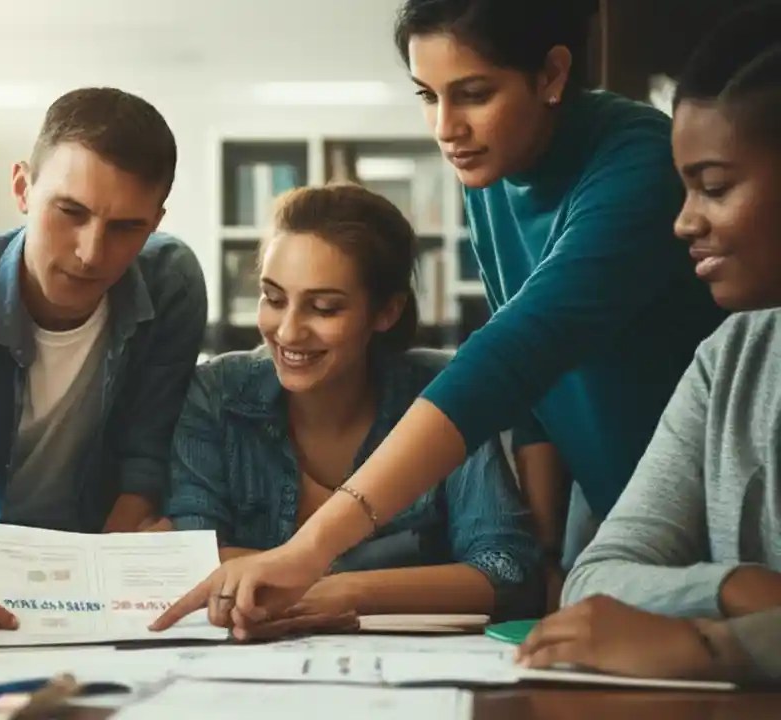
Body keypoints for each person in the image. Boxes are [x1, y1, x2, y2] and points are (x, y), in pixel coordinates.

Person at [153, 0, 725, 634]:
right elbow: (532, 391)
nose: (446, 128)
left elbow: (515, 354)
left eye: (474, 95)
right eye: (428, 95)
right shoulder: (490, 169)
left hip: (707, 487)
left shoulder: (636, 163)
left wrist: (310, 552)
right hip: (613, 498)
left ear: (552, 74)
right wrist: (543, 548)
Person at [0, 87, 207, 642]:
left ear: (155, 222)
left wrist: (104, 574)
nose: (91, 252)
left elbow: (147, 453)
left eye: (126, 228)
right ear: (22, 187)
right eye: (70, 212)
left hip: (102, 573)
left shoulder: (172, 282)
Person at [518, 3, 781, 684]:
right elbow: (596, 577)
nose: (684, 221)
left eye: (714, 187)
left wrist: (713, 645)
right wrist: (735, 588)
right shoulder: (728, 358)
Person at [162, 184, 542, 639]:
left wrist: (348, 592)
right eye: (274, 298)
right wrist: (414, 583)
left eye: (324, 308)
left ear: (386, 311)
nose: (289, 331)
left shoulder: (445, 391)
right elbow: (192, 558)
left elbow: (508, 571)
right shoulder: (216, 393)